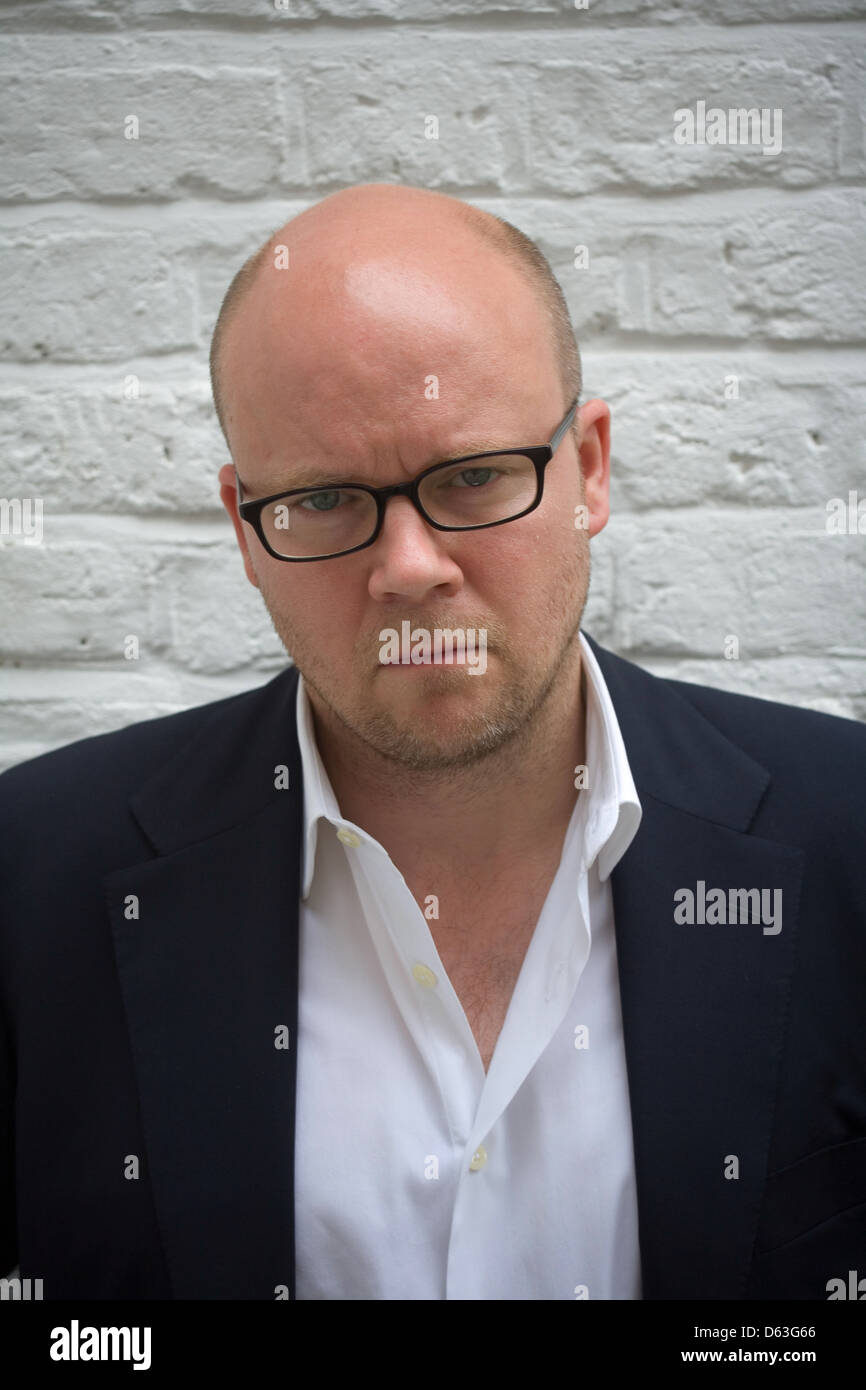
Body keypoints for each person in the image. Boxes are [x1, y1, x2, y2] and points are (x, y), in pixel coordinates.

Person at [1, 183, 864, 1301]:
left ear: (587, 470)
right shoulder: (32, 879)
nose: (408, 567)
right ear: (244, 529)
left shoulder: (844, 835)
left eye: (470, 477)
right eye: (322, 498)